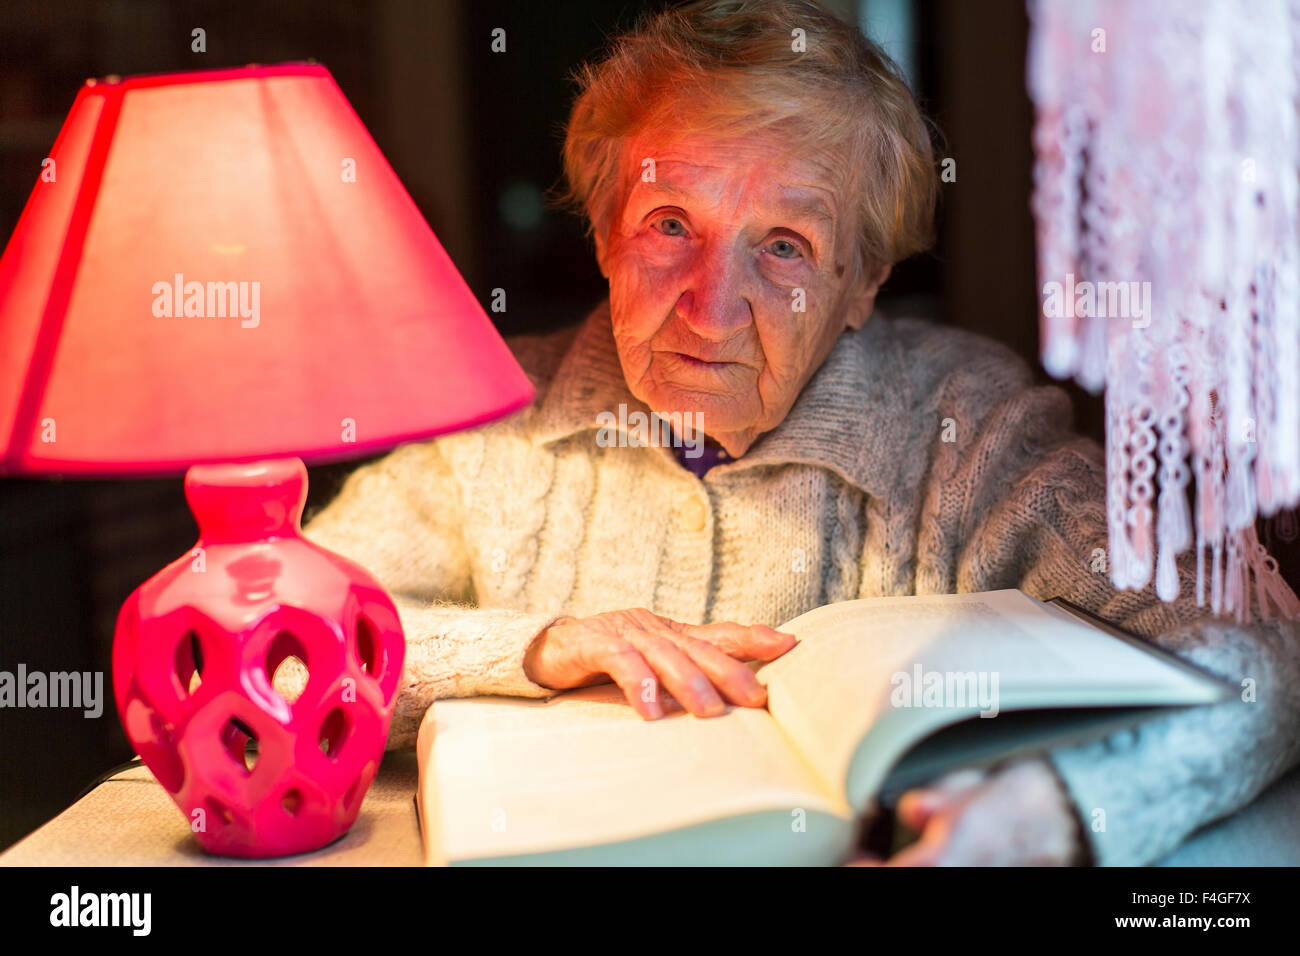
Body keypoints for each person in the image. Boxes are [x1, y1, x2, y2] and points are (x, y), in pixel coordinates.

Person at [300, 0, 1300, 865]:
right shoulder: (492, 409)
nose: (710, 304)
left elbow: (1263, 657)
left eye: (783, 245)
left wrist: (1066, 808)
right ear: (605, 233)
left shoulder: (966, 429)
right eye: (668, 224)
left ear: (862, 282)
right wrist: (533, 644)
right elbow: (277, 653)